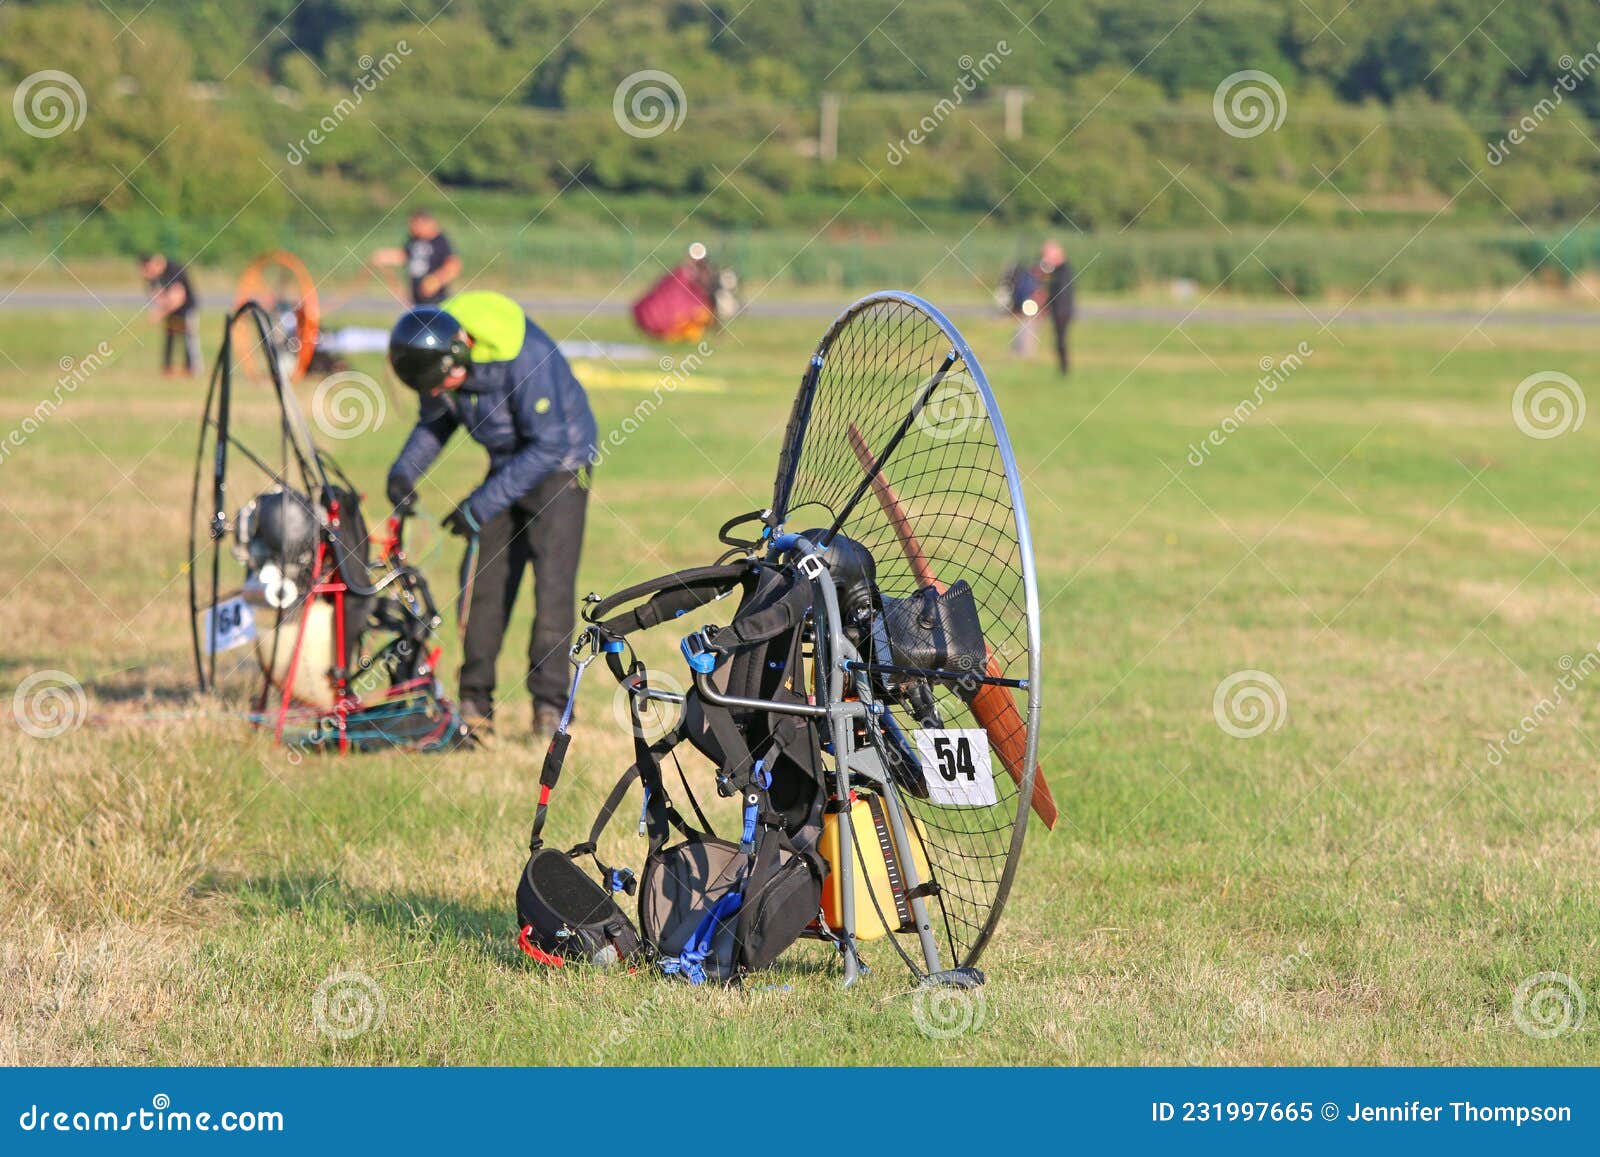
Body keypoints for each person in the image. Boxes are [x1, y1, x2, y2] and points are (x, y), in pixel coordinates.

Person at [384, 292, 598, 743]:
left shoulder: (525, 356)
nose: (445, 392)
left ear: (462, 350)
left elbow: (548, 446)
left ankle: (550, 708)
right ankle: (475, 704)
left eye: (448, 382)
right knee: (484, 584)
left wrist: (478, 506)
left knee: (552, 590)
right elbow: (436, 421)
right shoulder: (437, 356)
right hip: (508, 463)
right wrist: (404, 473)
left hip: (560, 466)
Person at [371, 210, 461, 305]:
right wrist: (386, 257)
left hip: (436, 298)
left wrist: (437, 280)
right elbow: (405, 255)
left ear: (427, 223)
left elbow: (454, 265)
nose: (412, 229)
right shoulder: (414, 239)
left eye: (415, 225)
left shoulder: (440, 241)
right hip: (415, 296)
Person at [138, 253, 200, 376]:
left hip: (186, 308)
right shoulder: (153, 276)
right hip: (170, 310)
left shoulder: (175, 270)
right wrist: (159, 308)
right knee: (169, 336)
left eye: (147, 270)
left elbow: (178, 299)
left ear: (154, 263)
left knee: (188, 338)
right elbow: (157, 296)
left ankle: (192, 369)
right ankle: (167, 368)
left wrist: (159, 313)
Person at [1040, 240, 1077, 375]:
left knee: (1061, 341)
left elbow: (1059, 293)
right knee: (1058, 341)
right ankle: (1062, 369)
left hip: (1062, 311)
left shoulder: (1063, 271)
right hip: (1059, 311)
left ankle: (1064, 370)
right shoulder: (1058, 271)